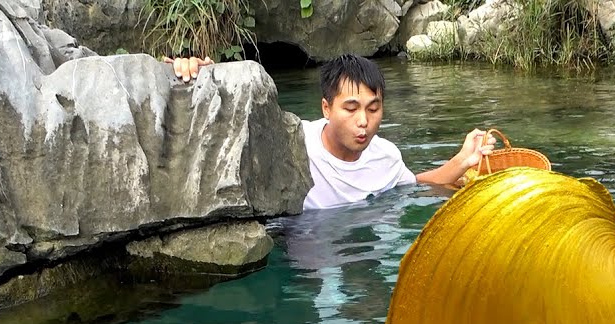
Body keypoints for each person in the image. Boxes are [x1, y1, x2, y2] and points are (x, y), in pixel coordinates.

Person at [165, 54, 494, 210]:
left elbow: (416, 185)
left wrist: (463, 160)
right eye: (350, 108)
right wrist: (201, 76)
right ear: (326, 108)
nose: (363, 121)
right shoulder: (294, 142)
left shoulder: (386, 156)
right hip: (302, 246)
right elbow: (237, 124)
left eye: (373, 108)